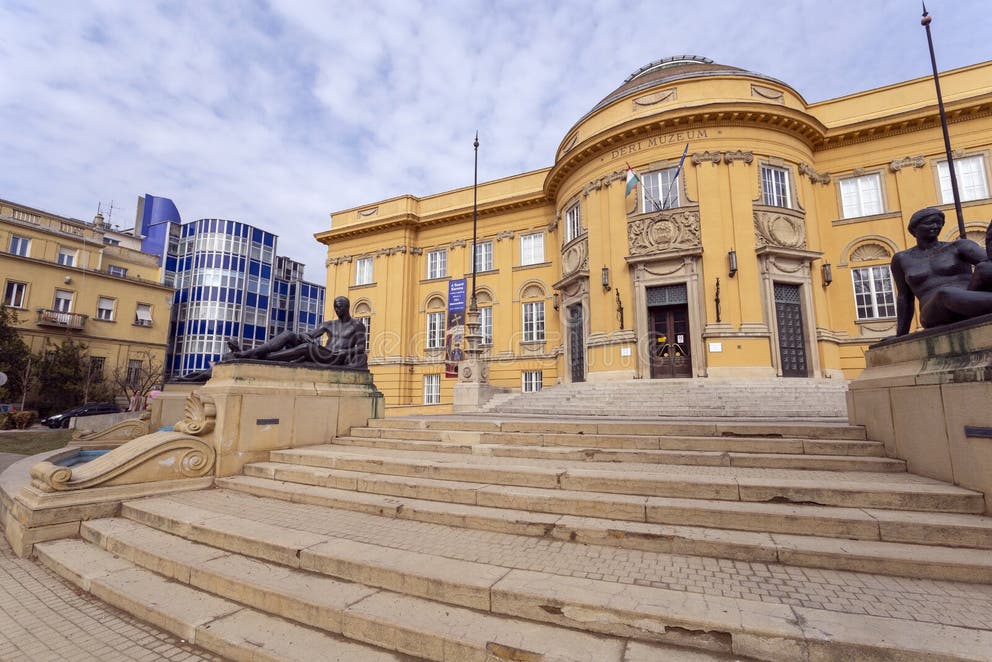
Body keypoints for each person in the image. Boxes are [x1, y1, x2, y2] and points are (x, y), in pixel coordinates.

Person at [891, 208, 992, 335]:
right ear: (914, 228)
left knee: (985, 268)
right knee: (945, 294)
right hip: (933, 312)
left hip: (970, 298)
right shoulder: (902, 259)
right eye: (929, 223)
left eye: (939, 223)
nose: (935, 226)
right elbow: (905, 298)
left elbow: (989, 264)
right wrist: (900, 334)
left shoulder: (959, 246)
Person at [226, 295, 368, 368]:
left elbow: (361, 347)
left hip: (335, 357)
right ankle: (253, 353)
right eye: (335, 307)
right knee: (288, 334)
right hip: (322, 352)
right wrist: (306, 336)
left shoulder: (357, 325)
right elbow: (309, 335)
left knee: (308, 347)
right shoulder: (328, 324)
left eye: (340, 307)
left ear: (347, 307)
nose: (337, 310)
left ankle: (257, 357)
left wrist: (346, 352)